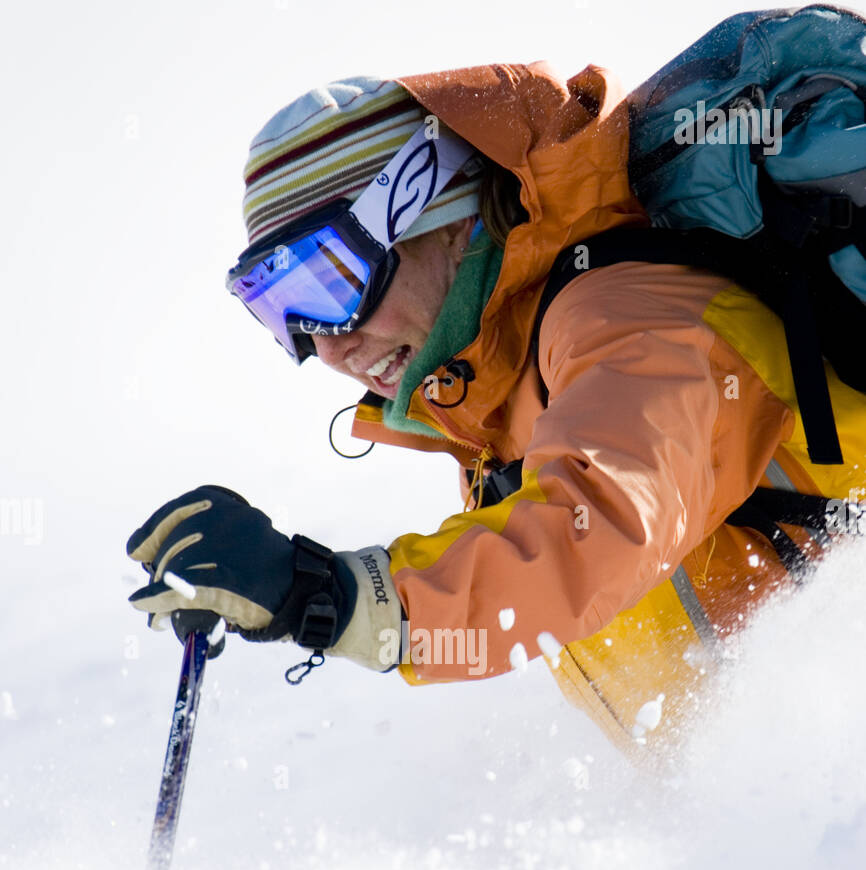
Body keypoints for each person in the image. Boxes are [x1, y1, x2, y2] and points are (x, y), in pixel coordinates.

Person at [126, 65, 866, 754]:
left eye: (329, 284)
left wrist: (324, 595)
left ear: (439, 214)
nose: (329, 345)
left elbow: (596, 527)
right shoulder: (502, 414)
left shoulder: (628, 318)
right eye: (281, 311)